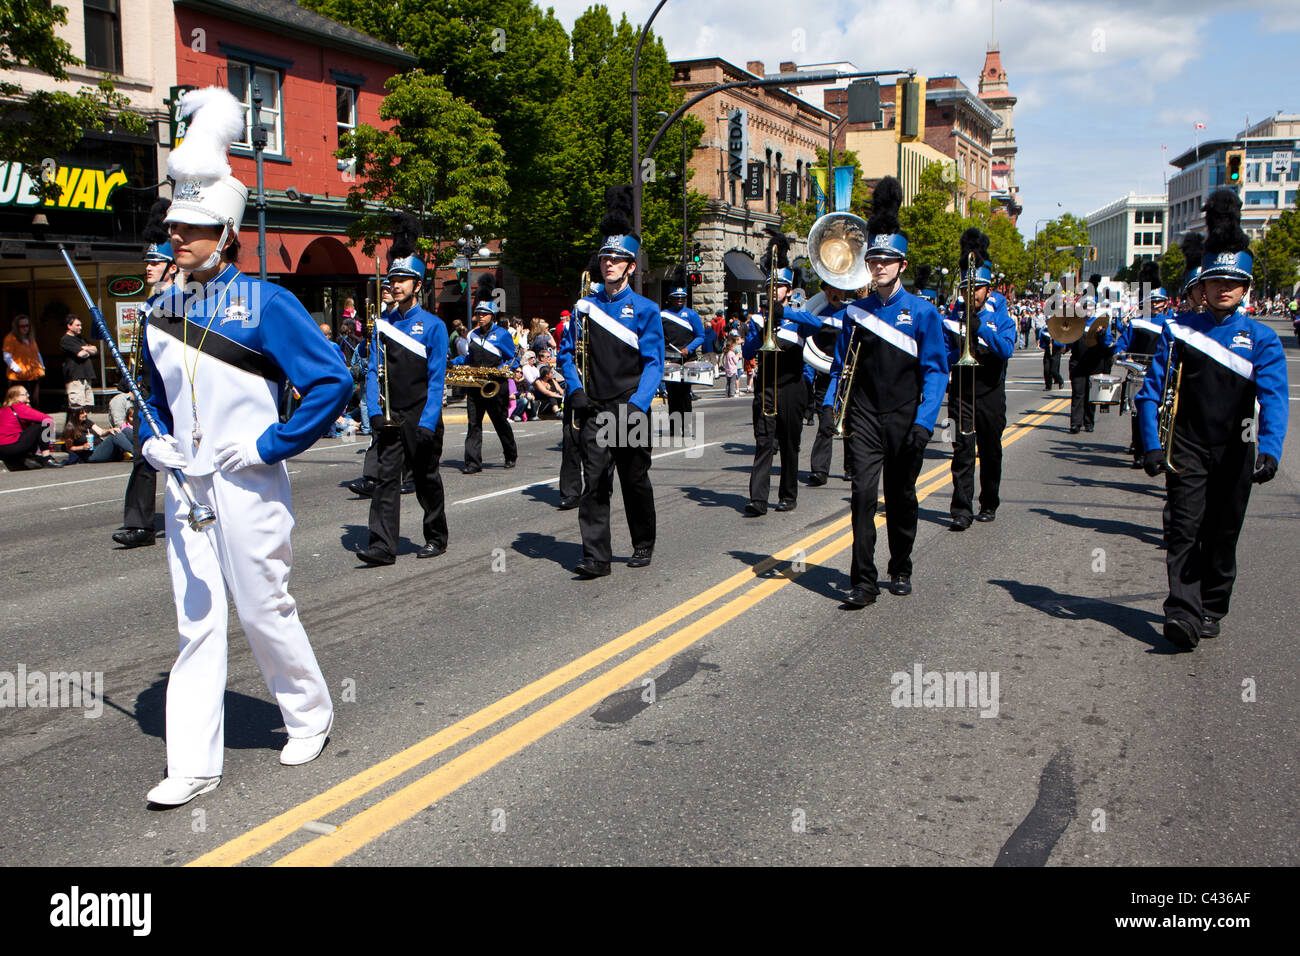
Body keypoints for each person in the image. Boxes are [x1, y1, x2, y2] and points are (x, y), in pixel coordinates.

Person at [136, 86, 350, 805]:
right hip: (185, 486)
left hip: (248, 482)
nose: (179, 240)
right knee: (196, 621)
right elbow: (150, 401)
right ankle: (192, 764)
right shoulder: (157, 312)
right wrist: (152, 444)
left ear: (226, 234)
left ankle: (310, 713)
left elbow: (330, 382)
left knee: (263, 607)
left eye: (194, 230)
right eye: (174, 228)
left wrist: (270, 443)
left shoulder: (268, 303)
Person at [1136, 188, 1288, 651]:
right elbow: (1151, 390)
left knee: (1222, 534)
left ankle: (1212, 605)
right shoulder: (1178, 329)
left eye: (1233, 282)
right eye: (1215, 280)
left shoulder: (1261, 339)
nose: (1223, 288)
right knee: (1183, 528)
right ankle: (1181, 610)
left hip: (1236, 448)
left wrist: (1270, 449)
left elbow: (1275, 398)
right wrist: (1151, 443)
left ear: (1244, 289)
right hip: (1188, 446)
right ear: (1201, 286)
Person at [822, 177, 949, 608]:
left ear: (902, 264)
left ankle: (901, 565)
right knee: (861, 497)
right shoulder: (855, 313)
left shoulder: (923, 313)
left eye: (887, 259)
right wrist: (828, 406)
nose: (878, 266)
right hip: (864, 417)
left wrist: (924, 423)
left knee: (901, 498)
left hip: (904, 417)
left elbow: (936, 372)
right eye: (873, 259)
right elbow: (842, 365)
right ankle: (863, 580)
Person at [557, 186, 663, 576]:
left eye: (618, 259)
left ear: (631, 266)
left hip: (629, 407)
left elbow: (654, 363)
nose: (610, 264)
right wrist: (576, 390)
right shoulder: (584, 307)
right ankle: (597, 557)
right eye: (606, 257)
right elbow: (567, 354)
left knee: (634, 481)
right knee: (595, 484)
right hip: (594, 407)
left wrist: (639, 404)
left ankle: (643, 542)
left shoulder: (646, 310)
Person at [356, 213, 449, 566]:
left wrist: (428, 420)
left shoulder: (434, 327)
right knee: (384, 480)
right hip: (392, 415)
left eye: (403, 279)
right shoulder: (381, 325)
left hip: (421, 414)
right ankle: (382, 545)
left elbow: (437, 377)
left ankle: (436, 536)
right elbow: (372, 373)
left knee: (426, 478)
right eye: (392, 278)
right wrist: (375, 412)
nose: (394, 284)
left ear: (418, 284)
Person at [944, 229, 1016, 531]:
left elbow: (1006, 349)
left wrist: (981, 329)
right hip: (961, 391)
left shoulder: (1000, 317)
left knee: (990, 450)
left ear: (987, 290)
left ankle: (989, 501)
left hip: (990, 391)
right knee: (961, 450)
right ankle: (961, 509)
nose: (971, 293)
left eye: (977, 288)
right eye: (966, 289)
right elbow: (944, 354)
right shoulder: (949, 316)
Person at [115, 200, 178, 548]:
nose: (148, 266)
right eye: (148, 260)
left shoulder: (183, 300)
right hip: (149, 391)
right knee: (143, 454)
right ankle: (139, 524)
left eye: (155, 261)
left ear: (171, 266)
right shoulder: (149, 303)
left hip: (176, 391)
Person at [743, 244, 821, 515]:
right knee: (764, 441)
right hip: (766, 384)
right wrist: (755, 331)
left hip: (792, 385)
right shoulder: (757, 319)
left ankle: (788, 494)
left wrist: (782, 313)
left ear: (788, 291)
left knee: (789, 443)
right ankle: (758, 499)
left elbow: (817, 325)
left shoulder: (798, 318)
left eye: (778, 287)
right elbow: (747, 351)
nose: (773, 291)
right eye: (769, 286)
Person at [453, 300, 517, 473]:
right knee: (473, 423)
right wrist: (454, 363)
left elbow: (513, 358)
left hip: (495, 384)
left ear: (492, 316)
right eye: (478, 314)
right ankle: (473, 463)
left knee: (500, 421)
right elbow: (468, 358)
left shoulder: (502, 334)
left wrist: (501, 370)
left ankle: (510, 454)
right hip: (475, 384)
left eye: (484, 314)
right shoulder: (472, 335)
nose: (480, 317)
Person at [803, 282, 856, 485]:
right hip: (824, 374)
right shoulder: (816, 313)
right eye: (830, 289)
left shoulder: (851, 313)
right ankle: (819, 470)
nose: (834, 293)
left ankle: (851, 467)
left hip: (847, 374)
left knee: (849, 422)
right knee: (825, 422)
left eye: (838, 289)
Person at [1066, 276, 1114, 434]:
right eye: (1085, 306)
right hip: (1078, 363)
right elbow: (1066, 344)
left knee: (1091, 396)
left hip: (1094, 364)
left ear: (1094, 308)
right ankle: (1075, 423)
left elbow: (1107, 343)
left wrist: (1102, 335)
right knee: (1078, 394)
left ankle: (1089, 422)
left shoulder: (1100, 323)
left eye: (1090, 306)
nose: (1087, 309)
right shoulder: (1076, 323)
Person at [661, 285, 705, 437]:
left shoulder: (691, 315)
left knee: (685, 394)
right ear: (670, 299)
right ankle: (674, 426)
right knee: (672, 394)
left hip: (686, 359)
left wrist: (689, 348)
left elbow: (700, 335)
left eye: (682, 298)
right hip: (670, 359)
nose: (679, 300)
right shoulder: (663, 315)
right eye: (676, 298)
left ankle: (686, 427)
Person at [0, 385, 61, 468]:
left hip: (2, 450)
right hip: (12, 447)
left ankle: (29, 455)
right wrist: (49, 441)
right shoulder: (20, 407)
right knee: (41, 425)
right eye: (25, 394)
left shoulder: (3, 409)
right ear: (16, 397)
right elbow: (48, 419)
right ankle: (47, 457)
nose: (28, 395)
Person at [62, 406, 134, 463]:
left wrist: (109, 430)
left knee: (125, 430)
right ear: (74, 415)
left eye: (85, 412)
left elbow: (101, 432)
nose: (85, 414)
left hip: (101, 447)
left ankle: (143, 447)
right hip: (92, 454)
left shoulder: (86, 422)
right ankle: (137, 453)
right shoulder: (70, 428)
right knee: (115, 435)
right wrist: (82, 447)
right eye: (82, 413)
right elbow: (69, 448)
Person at [4, 314, 44, 405]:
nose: (25, 328)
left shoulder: (30, 338)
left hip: (33, 375)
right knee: (19, 403)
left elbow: (37, 354)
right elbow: (7, 357)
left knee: (34, 401)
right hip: (18, 377)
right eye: (22, 326)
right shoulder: (10, 339)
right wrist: (18, 369)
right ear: (17, 327)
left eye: (27, 326)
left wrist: (42, 366)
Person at [60, 314, 97, 410]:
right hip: (75, 378)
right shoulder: (66, 340)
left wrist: (85, 348)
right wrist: (86, 350)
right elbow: (81, 354)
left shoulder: (81, 338)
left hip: (86, 377)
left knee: (87, 406)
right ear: (69, 326)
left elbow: (95, 349)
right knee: (77, 407)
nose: (80, 327)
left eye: (80, 325)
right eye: (77, 325)